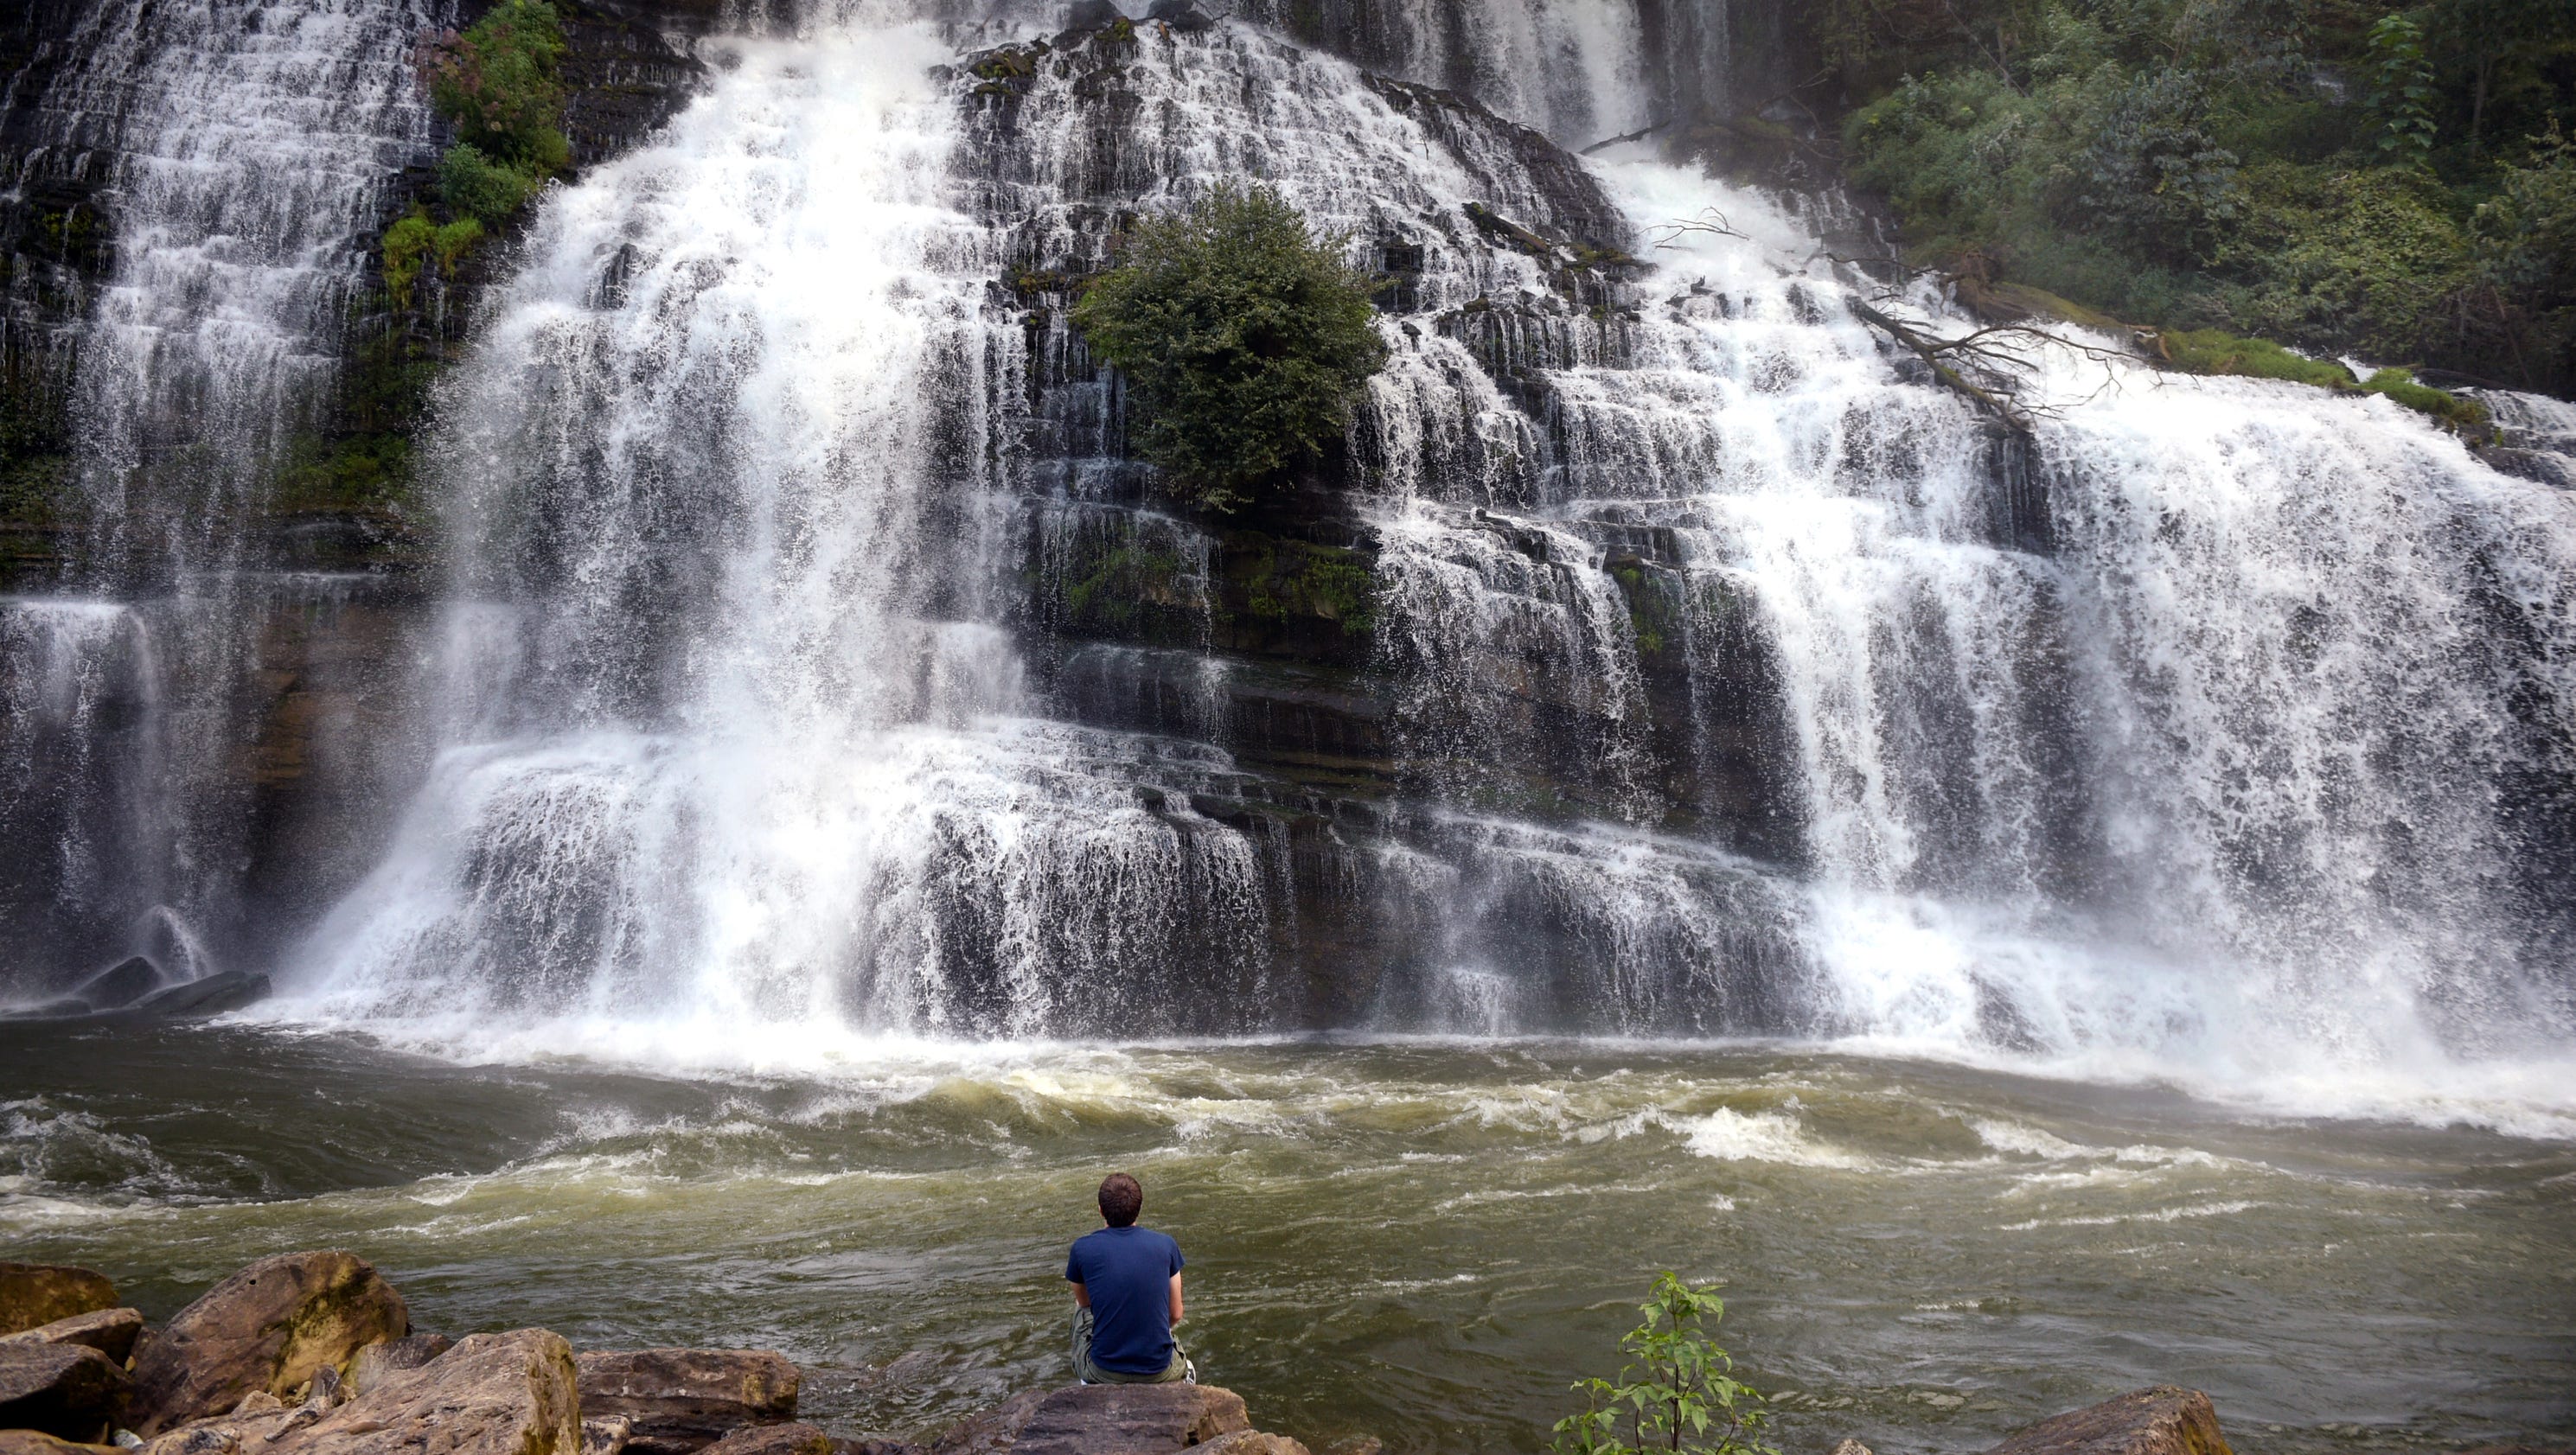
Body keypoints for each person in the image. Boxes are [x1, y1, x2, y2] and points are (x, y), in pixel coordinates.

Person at [1064, 1171, 1193, 1384]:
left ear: (1100, 1210)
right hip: (1158, 1370)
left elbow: (1085, 1303)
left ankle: (1090, 1382)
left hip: (1104, 1371)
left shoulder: (1082, 1248)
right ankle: (1183, 1376)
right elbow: (1176, 1313)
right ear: (1139, 1209)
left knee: (1080, 1310)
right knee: (1167, 1334)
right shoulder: (1166, 1245)